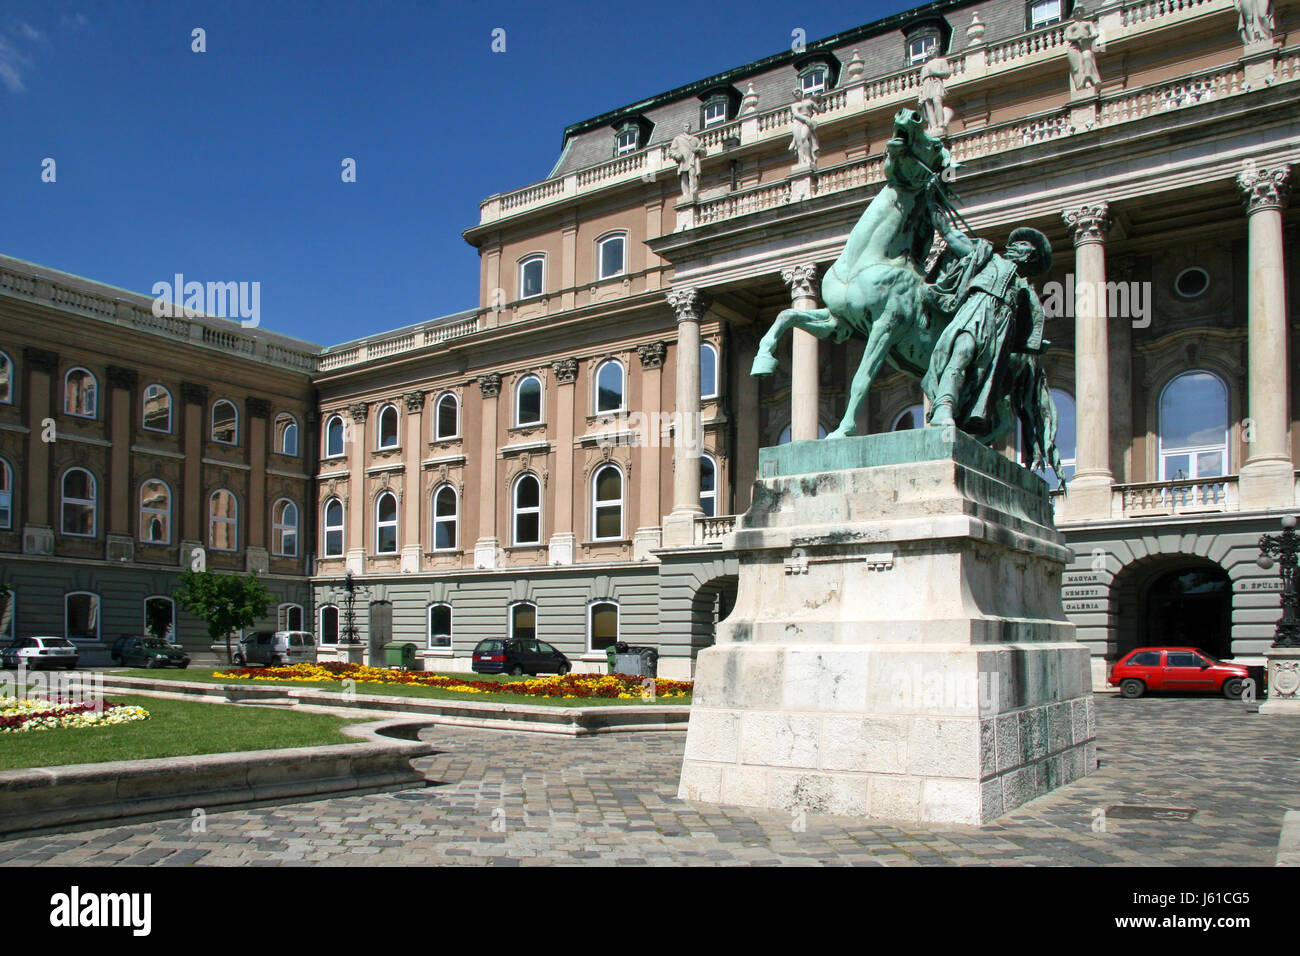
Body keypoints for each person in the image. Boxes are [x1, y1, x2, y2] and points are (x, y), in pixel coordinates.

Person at [920, 213, 1053, 444]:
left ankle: (972, 434)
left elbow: (1026, 328)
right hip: (976, 311)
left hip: (1001, 329)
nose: (1013, 247)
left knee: (981, 377)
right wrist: (938, 217)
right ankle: (943, 407)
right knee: (962, 350)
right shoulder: (989, 258)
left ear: (1029, 255)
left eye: (1021, 246)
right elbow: (954, 239)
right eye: (1014, 244)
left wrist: (1035, 344)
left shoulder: (1024, 290)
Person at [1064, 7, 1103, 93]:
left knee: (1087, 57)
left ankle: (1088, 80)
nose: (1078, 13)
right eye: (1076, 11)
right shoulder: (1071, 27)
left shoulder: (1088, 24)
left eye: (1080, 11)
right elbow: (1068, 37)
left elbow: (1094, 32)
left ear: (1083, 12)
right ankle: (1080, 86)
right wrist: (1077, 37)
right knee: (1076, 68)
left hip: (1085, 45)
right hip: (1074, 47)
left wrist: (1091, 36)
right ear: (1074, 14)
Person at [668, 124, 706, 204]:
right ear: (683, 128)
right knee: (684, 176)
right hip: (683, 160)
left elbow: (704, 151)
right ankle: (685, 193)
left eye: (689, 126)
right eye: (686, 126)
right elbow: (671, 151)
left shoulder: (695, 140)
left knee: (693, 175)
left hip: (693, 160)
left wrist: (698, 150)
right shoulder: (678, 139)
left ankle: (693, 192)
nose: (687, 127)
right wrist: (677, 155)